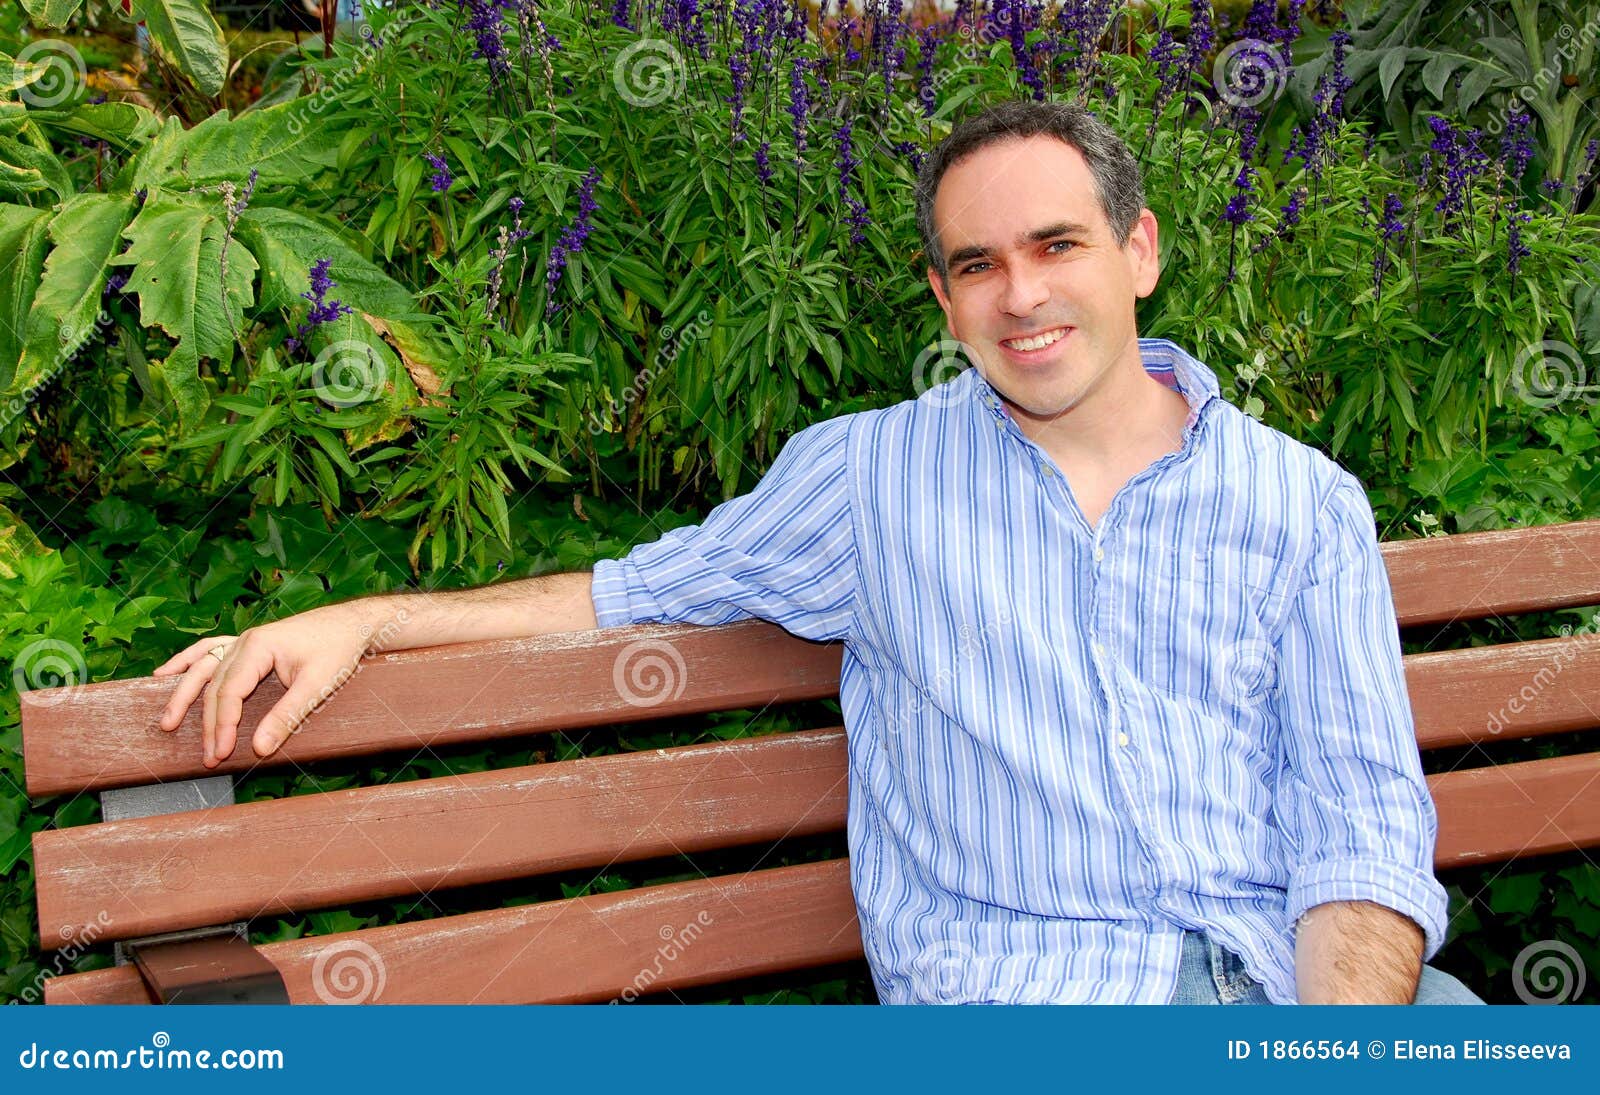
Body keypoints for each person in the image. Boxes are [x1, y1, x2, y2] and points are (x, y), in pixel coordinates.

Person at [154, 100, 1483, 1005]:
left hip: (1307, 989)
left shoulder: (1300, 504)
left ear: (1139, 252)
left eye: (1057, 245)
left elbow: (1364, 824)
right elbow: (625, 592)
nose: (1020, 296)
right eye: (977, 264)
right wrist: (374, 622)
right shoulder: (871, 479)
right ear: (941, 296)